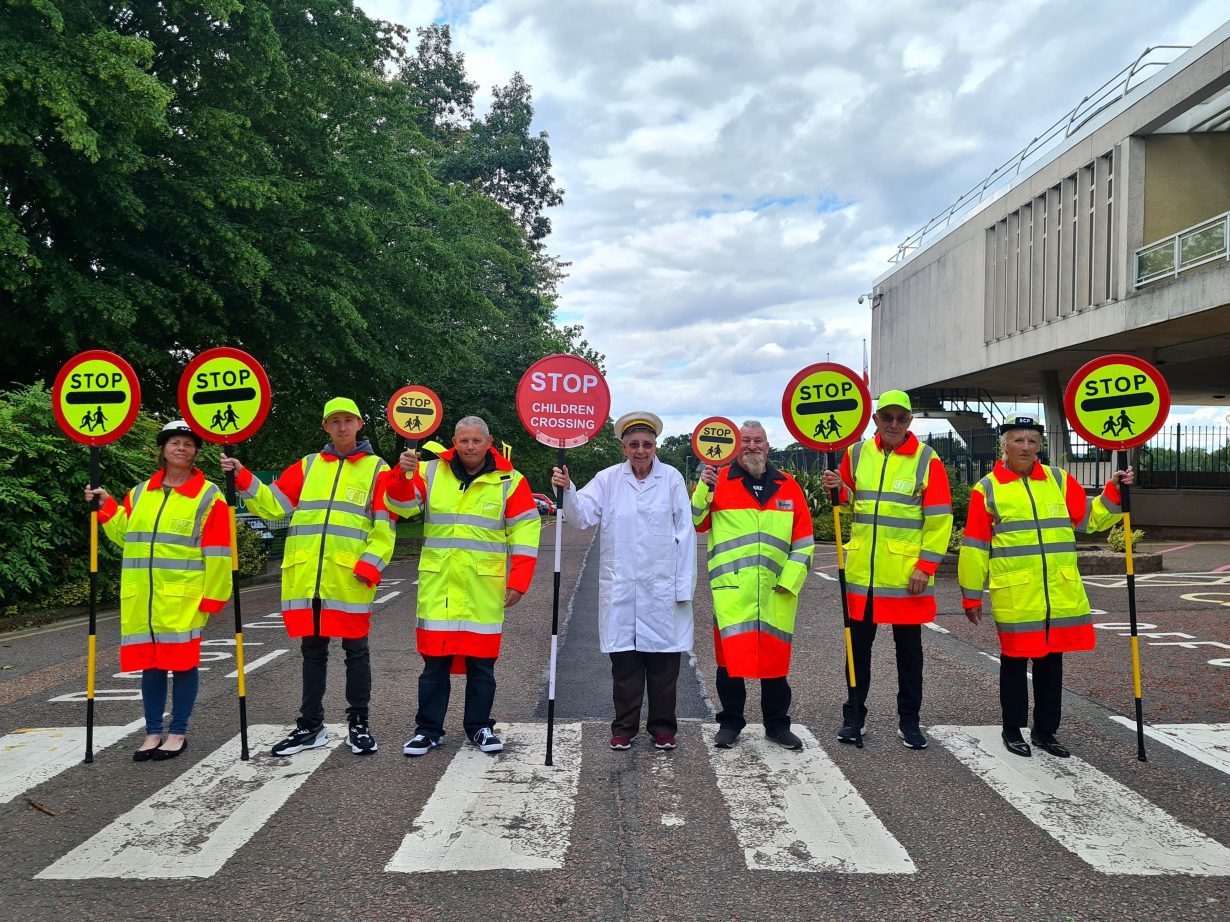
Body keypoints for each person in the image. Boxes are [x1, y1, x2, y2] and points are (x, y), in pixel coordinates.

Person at [220, 397, 395, 757]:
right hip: (307, 581)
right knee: (312, 653)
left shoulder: (379, 469)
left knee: (356, 653)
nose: (342, 426)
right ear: (325, 427)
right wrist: (241, 476)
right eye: (335, 421)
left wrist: (370, 565)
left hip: (350, 579)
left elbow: (385, 527)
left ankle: (358, 724)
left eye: (348, 420)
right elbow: (272, 505)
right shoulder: (308, 466)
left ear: (360, 424)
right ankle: (310, 725)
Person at [959, 417, 1133, 758]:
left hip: (1058, 592)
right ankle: (1012, 729)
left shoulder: (1058, 479)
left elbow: (1091, 519)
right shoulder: (988, 488)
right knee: (1013, 661)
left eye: (1033, 441)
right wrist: (970, 593)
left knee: (1052, 663)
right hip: (1016, 593)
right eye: (1019, 440)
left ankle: (1045, 731)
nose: (1026, 447)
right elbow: (975, 545)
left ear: (1040, 446)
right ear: (1004, 445)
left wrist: (1114, 490)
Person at [389, 416, 540, 756]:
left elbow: (527, 533)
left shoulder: (510, 481)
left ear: (489, 443)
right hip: (439, 587)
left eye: (476, 441)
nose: (470, 446)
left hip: (482, 590)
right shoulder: (428, 471)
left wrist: (519, 581)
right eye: (463, 441)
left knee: (481, 664)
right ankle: (427, 731)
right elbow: (403, 508)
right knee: (434, 663)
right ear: (453, 443)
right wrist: (402, 474)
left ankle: (480, 728)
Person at [85, 420, 231, 761]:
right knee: (151, 667)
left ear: (195, 453)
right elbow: (126, 536)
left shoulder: (210, 496)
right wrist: (105, 507)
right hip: (143, 599)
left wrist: (214, 594)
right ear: (163, 450)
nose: (181, 447)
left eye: (188, 443)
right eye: (174, 442)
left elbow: (220, 552)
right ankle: (152, 732)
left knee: (183, 665)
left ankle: (177, 732)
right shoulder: (138, 494)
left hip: (184, 597)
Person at [550, 411, 695, 751]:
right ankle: (624, 727)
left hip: (661, 589)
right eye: (633, 444)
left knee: (663, 664)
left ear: (655, 445)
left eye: (646, 444)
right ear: (623, 448)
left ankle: (663, 728)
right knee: (625, 665)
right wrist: (567, 489)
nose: (640, 450)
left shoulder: (671, 478)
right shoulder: (608, 479)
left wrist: (683, 587)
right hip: (622, 587)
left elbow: (685, 535)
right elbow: (582, 515)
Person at [821, 389, 952, 750]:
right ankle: (853, 719)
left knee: (909, 655)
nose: (894, 424)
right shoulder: (856, 452)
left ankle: (910, 722)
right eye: (887, 417)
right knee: (856, 651)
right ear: (876, 419)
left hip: (906, 577)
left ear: (910, 422)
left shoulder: (927, 460)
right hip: (862, 575)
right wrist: (838, 490)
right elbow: (848, 503)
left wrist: (925, 567)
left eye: (902, 418)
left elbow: (940, 519)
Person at [693, 420, 814, 750]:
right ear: (735, 446)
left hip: (777, 592)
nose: (751, 446)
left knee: (775, 665)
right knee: (729, 663)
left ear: (768, 446)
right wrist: (704, 487)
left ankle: (777, 725)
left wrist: (789, 582)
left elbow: (804, 541)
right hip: (733, 591)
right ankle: (730, 723)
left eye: (758, 441)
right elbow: (696, 521)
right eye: (745, 441)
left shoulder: (788, 486)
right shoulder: (718, 483)